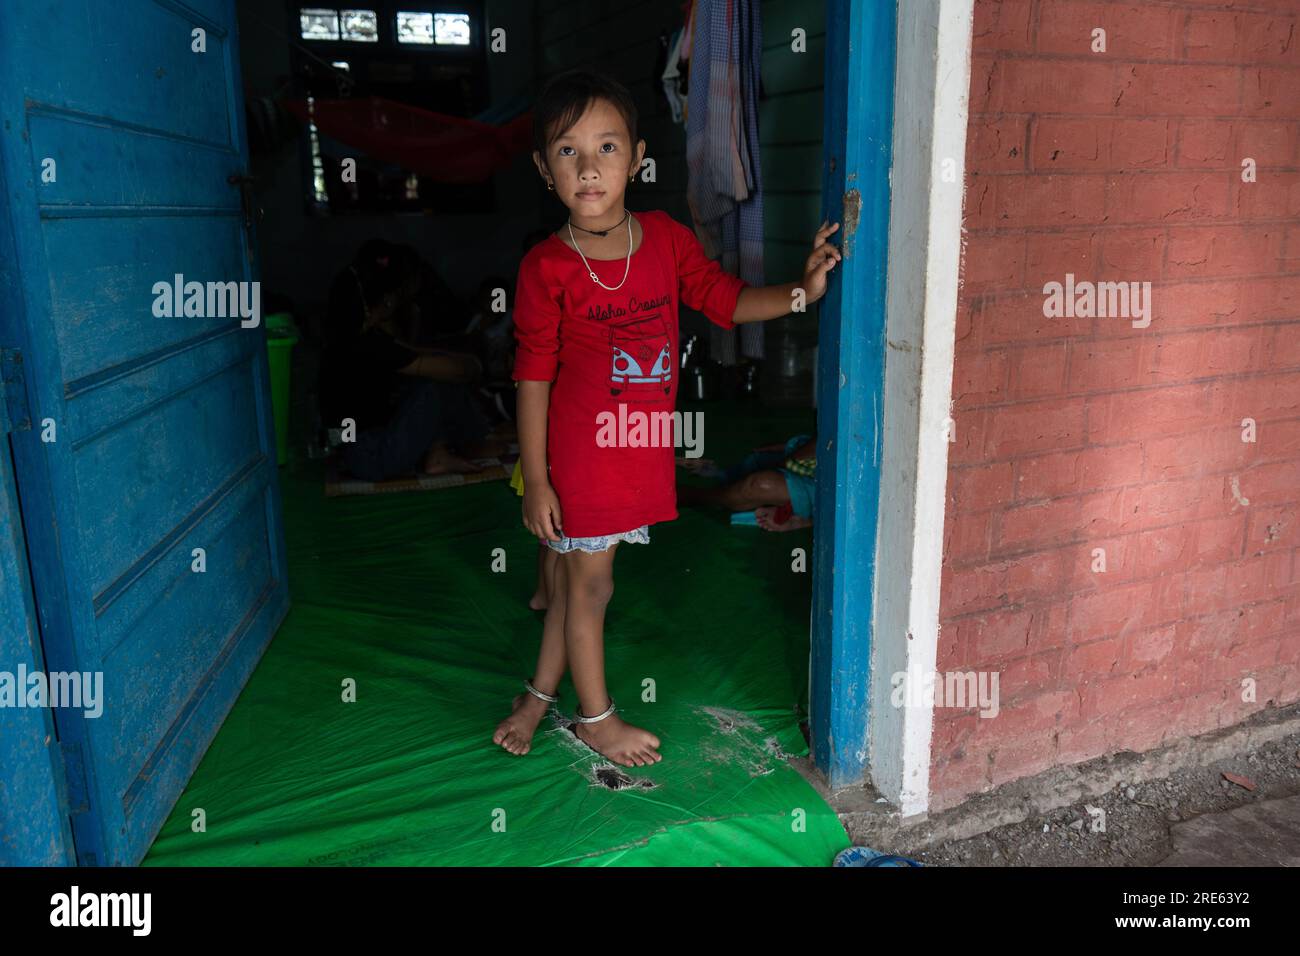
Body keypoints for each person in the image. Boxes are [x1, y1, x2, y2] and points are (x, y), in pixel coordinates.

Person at [493, 69, 841, 767]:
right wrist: (537, 479)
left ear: (638, 156)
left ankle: (535, 700)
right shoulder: (546, 266)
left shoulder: (665, 239)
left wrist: (803, 294)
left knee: (571, 582)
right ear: (543, 168)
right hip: (582, 456)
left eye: (607, 147)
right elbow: (532, 376)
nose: (589, 167)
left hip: (640, 450)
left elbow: (725, 300)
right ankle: (596, 718)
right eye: (567, 151)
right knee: (591, 585)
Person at [318, 240, 501, 481]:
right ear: (387, 300)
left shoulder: (353, 338)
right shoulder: (366, 344)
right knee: (437, 383)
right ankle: (471, 444)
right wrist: (475, 364)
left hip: (354, 449)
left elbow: (412, 351)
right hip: (370, 456)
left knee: (424, 381)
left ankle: (446, 449)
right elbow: (453, 369)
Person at [677, 434, 817, 531]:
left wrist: (807, 522)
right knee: (759, 458)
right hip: (816, 463)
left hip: (826, 490)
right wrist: (795, 449)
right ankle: (721, 478)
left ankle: (695, 496)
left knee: (759, 485)